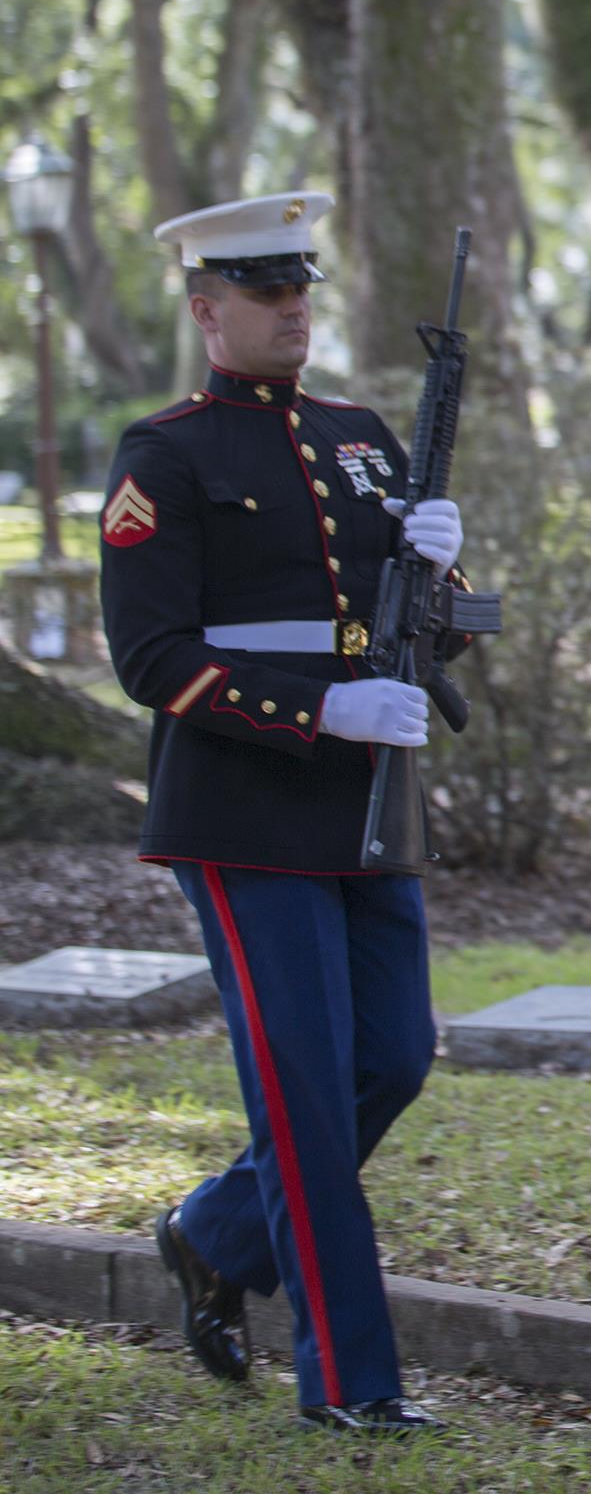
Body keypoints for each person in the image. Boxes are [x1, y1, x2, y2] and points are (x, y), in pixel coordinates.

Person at [102, 192, 473, 1434]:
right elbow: (152, 657)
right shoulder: (164, 453)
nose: (292, 308)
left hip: (364, 805)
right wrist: (319, 711)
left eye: (300, 287)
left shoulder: (364, 435)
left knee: (394, 1057)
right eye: (264, 293)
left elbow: (411, 614)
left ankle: (213, 1236)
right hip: (242, 810)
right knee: (308, 1092)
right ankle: (353, 1379)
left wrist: (442, 563)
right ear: (208, 312)